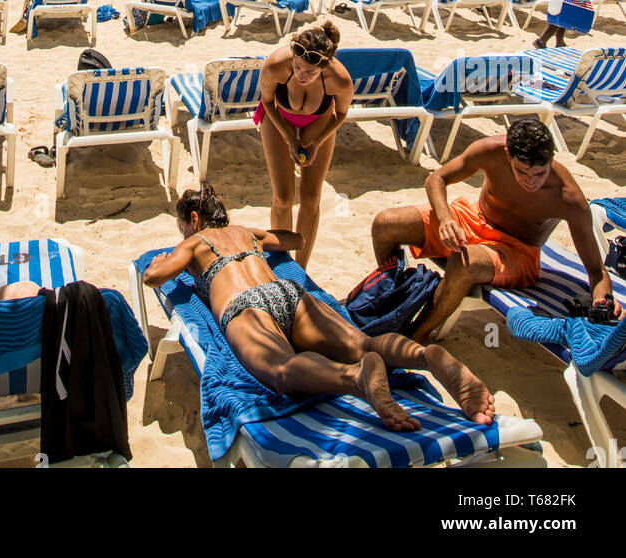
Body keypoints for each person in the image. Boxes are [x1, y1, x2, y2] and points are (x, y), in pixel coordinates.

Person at [144, 185, 495, 431]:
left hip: (246, 308)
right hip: (287, 292)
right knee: (365, 344)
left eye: (182, 227)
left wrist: (165, 258)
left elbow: (154, 276)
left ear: (193, 218)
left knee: (283, 370)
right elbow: (294, 240)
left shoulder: (195, 242)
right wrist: (264, 237)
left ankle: (355, 378)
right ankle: (426, 357)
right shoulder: (247, 232)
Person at [371, 121, 622, 343]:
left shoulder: (569, 199)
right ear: (507, 154)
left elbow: (595, 270)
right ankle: (389, 297)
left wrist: (604, 300)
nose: (530, 180)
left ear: (551, 160)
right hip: (472, 219)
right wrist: (446, 218)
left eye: (539, 173)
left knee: (465, 262)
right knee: (385, 224)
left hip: (516, 251)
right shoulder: (490, 151)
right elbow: (436, 178)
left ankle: (418, 334)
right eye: (521, 171)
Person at [253, 21, 353, 268]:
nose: (301, 74)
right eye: (297, 67)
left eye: (310, 71)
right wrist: (288, 137)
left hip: (318, 121)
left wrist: (318, 141)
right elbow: (267, 103)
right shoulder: (276, 65)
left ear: (325, 66)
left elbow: (340, 114)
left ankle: (301, 268)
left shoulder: (339, 80)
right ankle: (280, 262)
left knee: (310, 198)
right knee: (284, 197)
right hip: (279, 117)